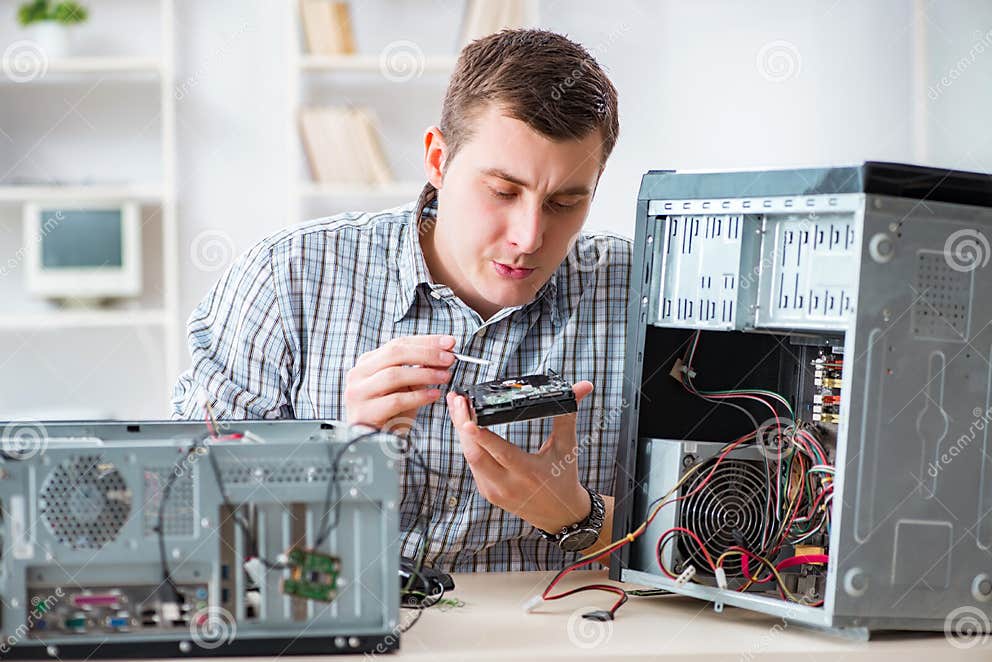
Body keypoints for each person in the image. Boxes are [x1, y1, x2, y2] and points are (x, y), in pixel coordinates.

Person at [172, 28, 631, 572]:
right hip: (344, 642)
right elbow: (184, 519)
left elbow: (722, 548)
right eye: (503, 192)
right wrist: (338, 462)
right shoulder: (285, 279)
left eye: (564, 202)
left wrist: (577, 518)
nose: (529, 236)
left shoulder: (636, 293)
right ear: (437, 160)